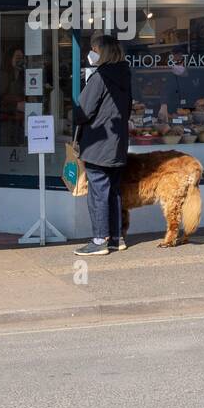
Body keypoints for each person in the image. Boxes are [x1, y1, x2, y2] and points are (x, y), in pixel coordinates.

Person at [73, 33, 132, 256]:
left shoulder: (100, 77)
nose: (91, 54)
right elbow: (126, 110)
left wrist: (74, 112)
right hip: (117, 143)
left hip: (98, 144)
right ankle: (116, 238)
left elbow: (83, 112)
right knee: (113, 191)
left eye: (94, 49)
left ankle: (99, 240)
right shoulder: (124, 75)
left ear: (102, 52)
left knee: (98, 192)